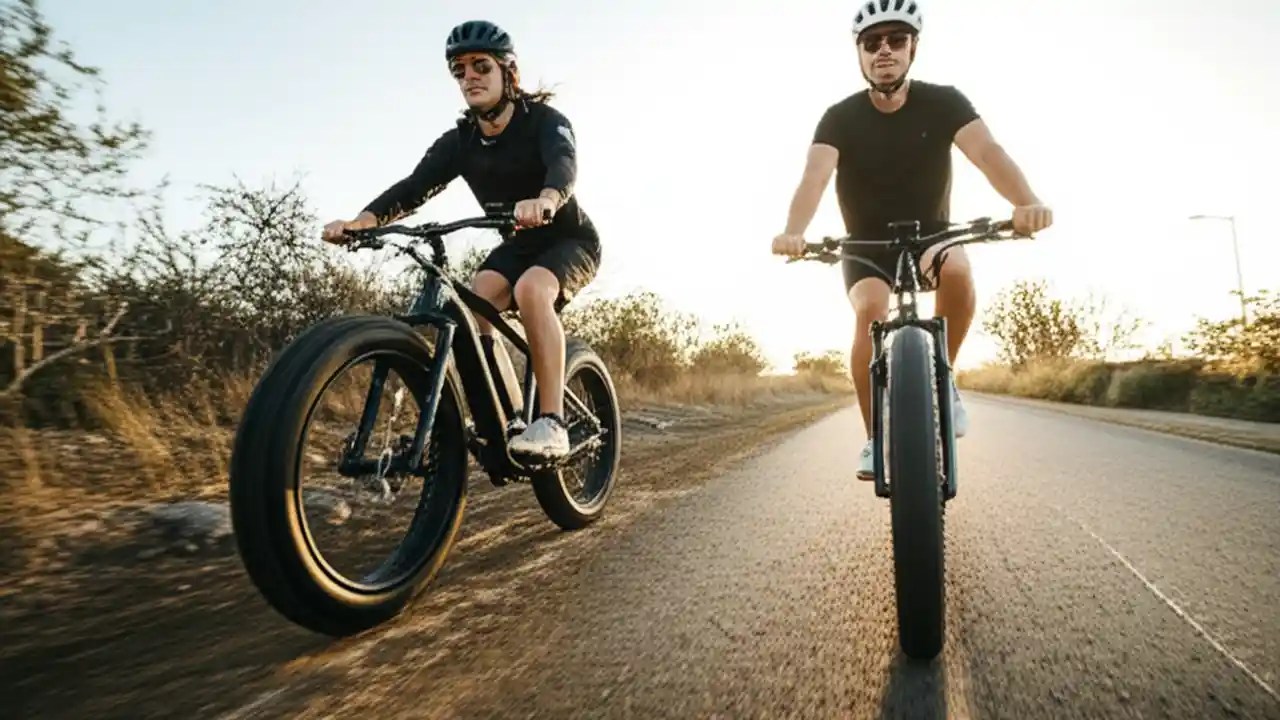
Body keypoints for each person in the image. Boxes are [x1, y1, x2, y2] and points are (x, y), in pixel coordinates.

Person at [770, 0, 1053, 480]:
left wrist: (1027, 201)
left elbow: (988, 153)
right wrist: (794, 231)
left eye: (896, 39)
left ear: (913, 48)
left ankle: (944, 378)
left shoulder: (945, 102)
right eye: (871, 42)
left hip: (933, 235)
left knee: (957, 269)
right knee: (870, 312)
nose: (884, 50)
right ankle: (874, 439)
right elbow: (814, 178)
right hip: (866, 246)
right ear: (859, 53)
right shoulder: (839, 117)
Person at [322, 19, 601, 462]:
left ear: (509, 72)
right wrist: (362, 221)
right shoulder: (460, 142)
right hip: (520, 244)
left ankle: (552, 422)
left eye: (480, 66)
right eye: (459, 71)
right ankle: (508, 416)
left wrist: (547, 199)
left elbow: (563, 164)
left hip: (569, 239)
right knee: (474, 304)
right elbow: (413, 188)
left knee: (532, 290)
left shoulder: (545, 122)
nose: (469, 77)